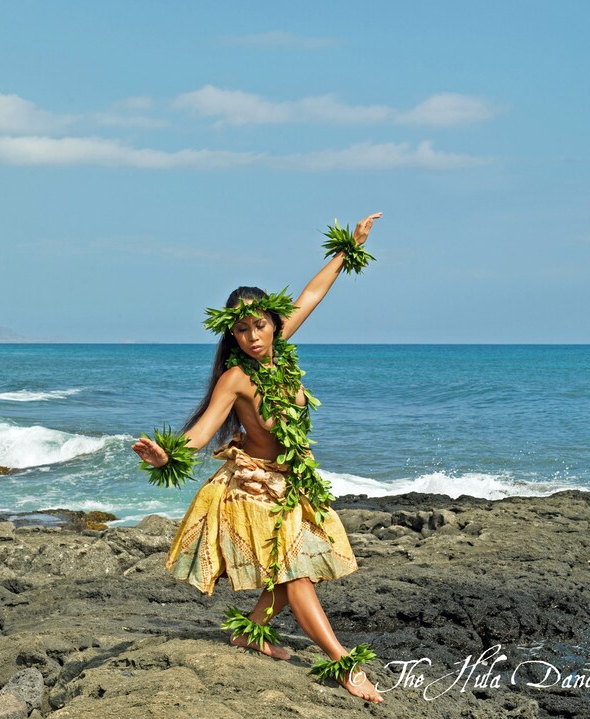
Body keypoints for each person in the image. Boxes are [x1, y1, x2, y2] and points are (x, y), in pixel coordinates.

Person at [132, 213, 384, 704]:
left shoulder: (281, 350)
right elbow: (203, 432)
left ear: (273, 323)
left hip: (292, 484)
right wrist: (167, 457)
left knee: (287, 571)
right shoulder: (236, 379)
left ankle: (251, 632)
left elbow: (312, 294)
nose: (253, 337)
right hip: (253, 488)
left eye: (261, 325)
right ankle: (342, 664)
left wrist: (349, 249)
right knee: (293, 573)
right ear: (232, 335)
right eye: (243, 330)